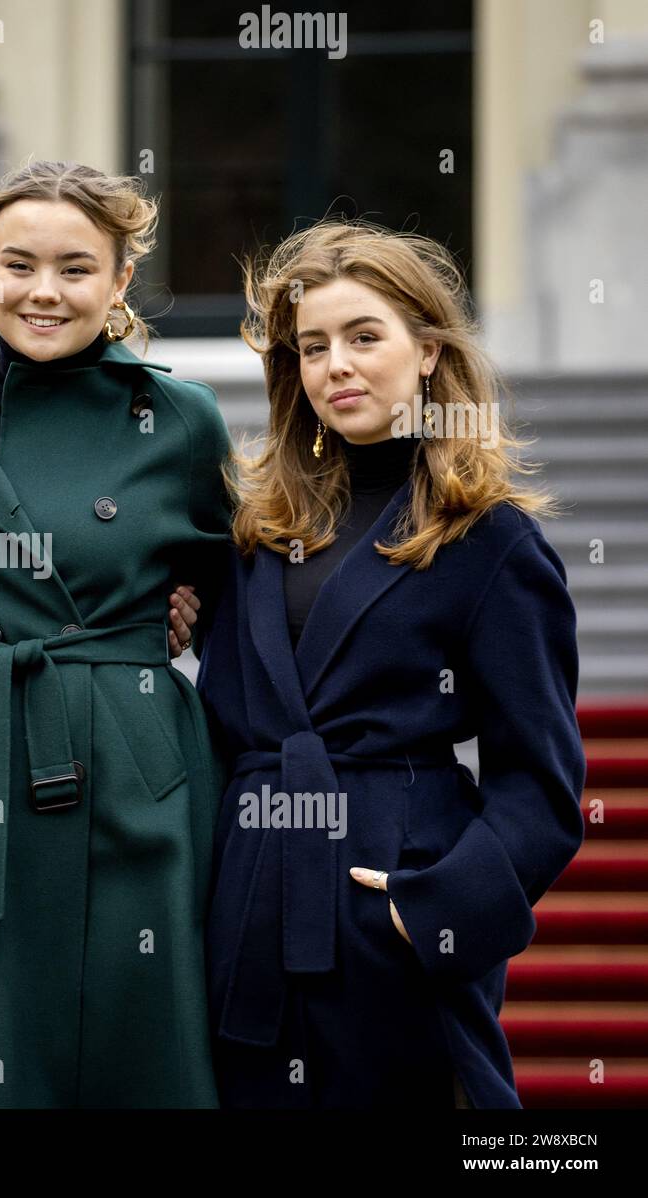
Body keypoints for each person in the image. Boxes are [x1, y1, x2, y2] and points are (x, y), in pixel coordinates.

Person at [197, 219, 586, 1109]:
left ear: (427, 354)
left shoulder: (491, 541)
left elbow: (544, 782)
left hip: (395, 913)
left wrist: (439, 907)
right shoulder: (255, 534)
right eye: (313, 346)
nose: (337, 364)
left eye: (365, 337)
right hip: (250, 915)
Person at [0, 160, 232, 1107]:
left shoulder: (181, 418)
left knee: (134, 1031)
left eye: (76, 269)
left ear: (119, 283)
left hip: (131, 766)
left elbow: (239, 584)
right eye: (18, 264)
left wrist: (177, 615)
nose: (44, 292)